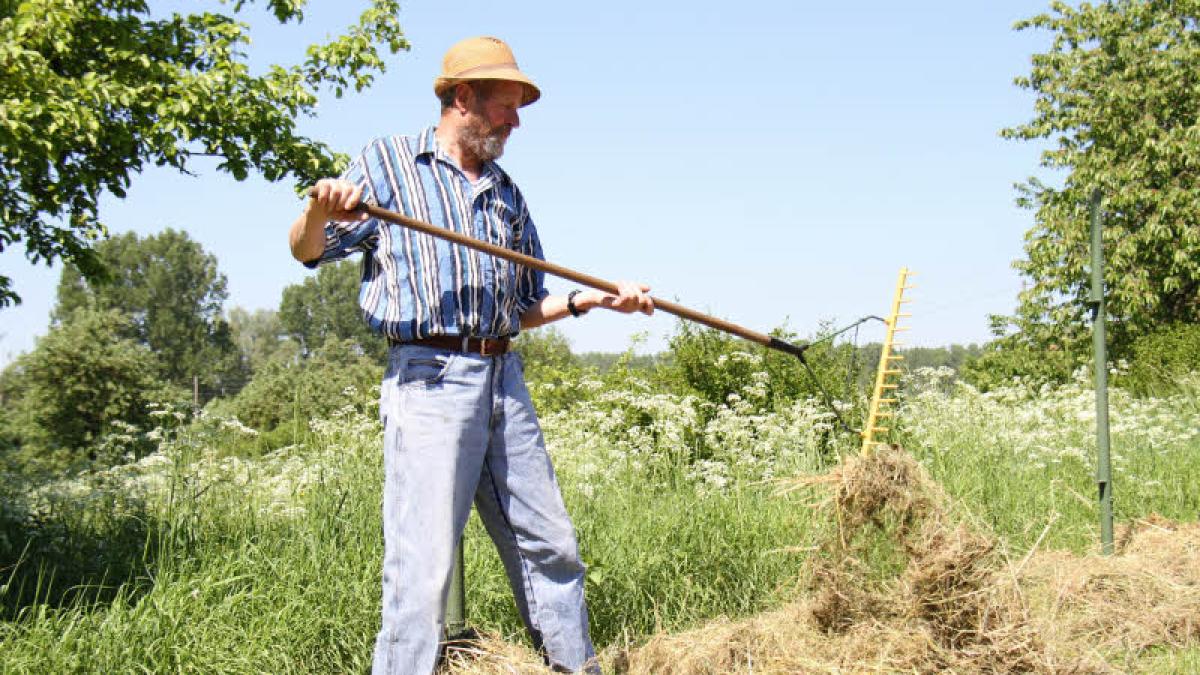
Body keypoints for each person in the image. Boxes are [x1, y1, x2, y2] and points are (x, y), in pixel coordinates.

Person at [288, 36, 653, 675]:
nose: (516, 121)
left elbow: (521, 308)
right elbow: (307, 250)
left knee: (552, 548)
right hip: (429, 379)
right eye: (507, 107)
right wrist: (317, 210)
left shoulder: (507, 195)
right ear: (464, 98)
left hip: (503, 379)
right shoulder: (389, 165)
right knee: (422, 570)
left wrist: (589, 303)